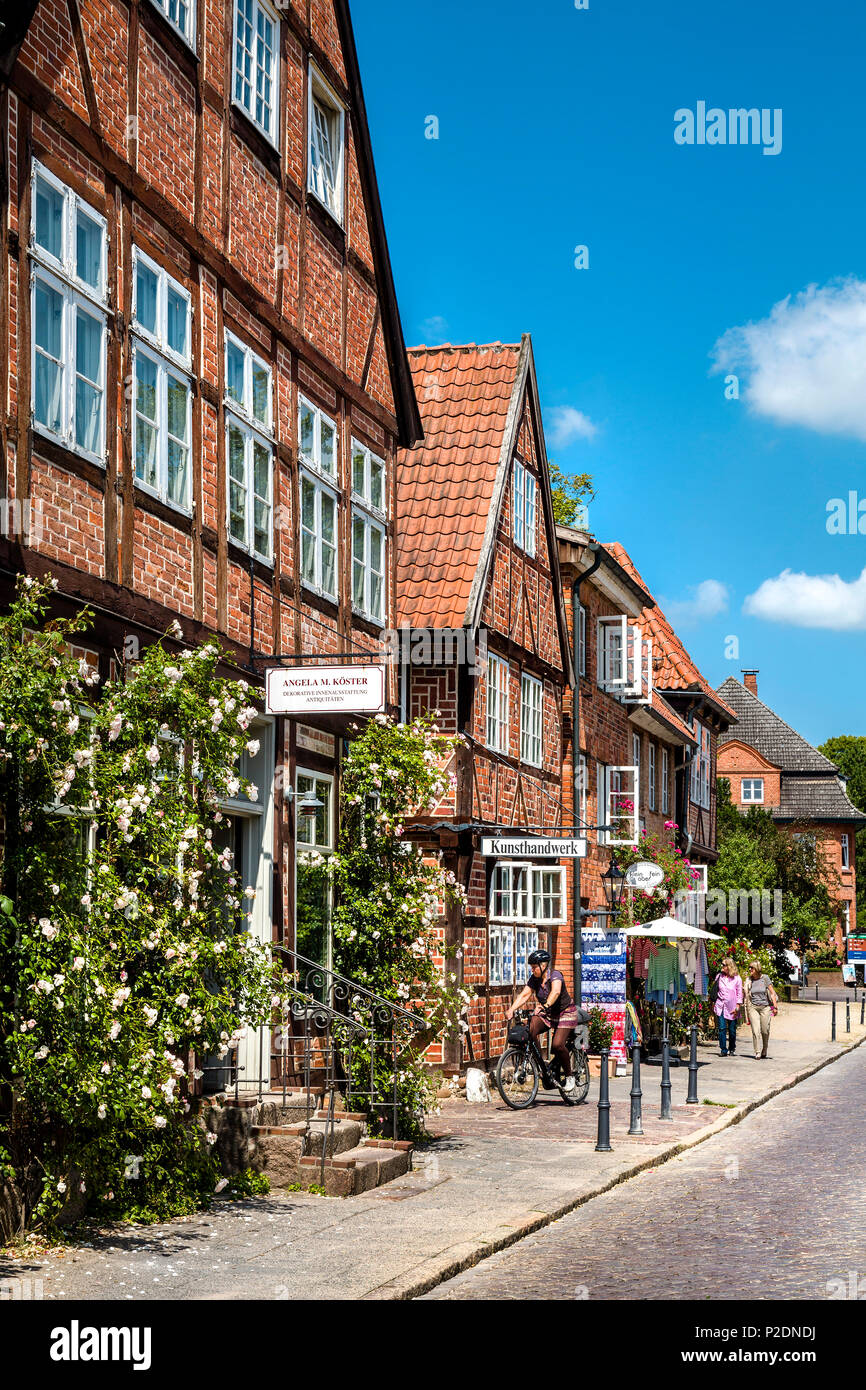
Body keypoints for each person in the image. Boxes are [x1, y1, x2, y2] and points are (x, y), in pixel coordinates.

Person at [505, 949, 579, 1093]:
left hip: (565, 1013)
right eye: (531, 967)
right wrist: (511, 1009)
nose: (532, 970)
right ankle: (542, 1067)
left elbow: (555, 992)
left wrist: (544, 1006)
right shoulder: (535, 979)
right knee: (530, 1029)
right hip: (548, 1014)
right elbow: (525, 994)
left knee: (558, 1045)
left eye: (534, 967)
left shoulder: (555, 975)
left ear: (543, 965)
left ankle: (569, 1076)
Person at [745, 960, 778, 1060]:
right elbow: (746, 994)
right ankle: (757, 1052)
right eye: (749, 967)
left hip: (765, 1007)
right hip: (753, 1007)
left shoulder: (765, 978)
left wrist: (775, 1007)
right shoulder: (749, 980)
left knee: (765, 1030)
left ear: (757, 969)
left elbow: (772, 993)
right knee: (755, 1030)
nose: (750, 969)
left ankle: (765, 1048)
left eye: (752, 968)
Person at [713, 956, 743, 1056]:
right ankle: (723, 1049)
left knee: (732, 1029)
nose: (722, 966)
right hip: (720, 1005)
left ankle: (732, 1048)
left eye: (724, 965)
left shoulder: (737, 978)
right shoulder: (719, 976)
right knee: (721, 1028)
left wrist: (738, 1006)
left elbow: (739, 993)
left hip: (732, 1007)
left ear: (729, 966)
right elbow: (715, 990)